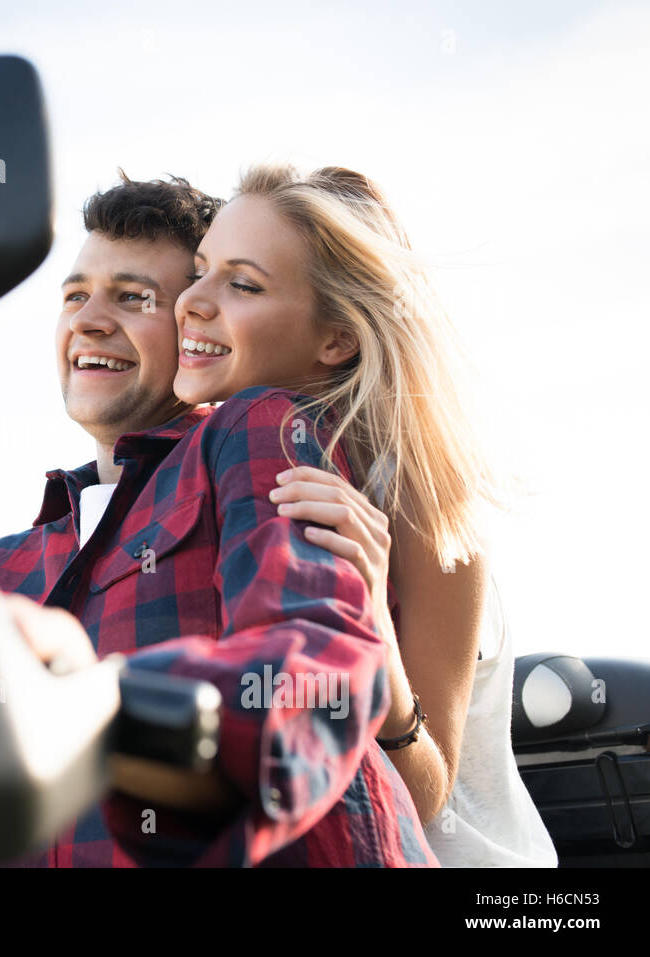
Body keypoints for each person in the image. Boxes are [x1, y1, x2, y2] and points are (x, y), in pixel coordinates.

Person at [0, 173, 436, 866]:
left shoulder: (252, 432)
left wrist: (114, 710)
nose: (89, 319)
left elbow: (311, 651)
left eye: (134, 297)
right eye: (75, 295)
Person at [168, 164, 554, 866]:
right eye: (200, 270)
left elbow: (425, 793)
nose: (191, 301)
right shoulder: (218, 468)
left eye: (242, 283)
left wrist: (370, 617)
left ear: (337, 340)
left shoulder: (424, 501)